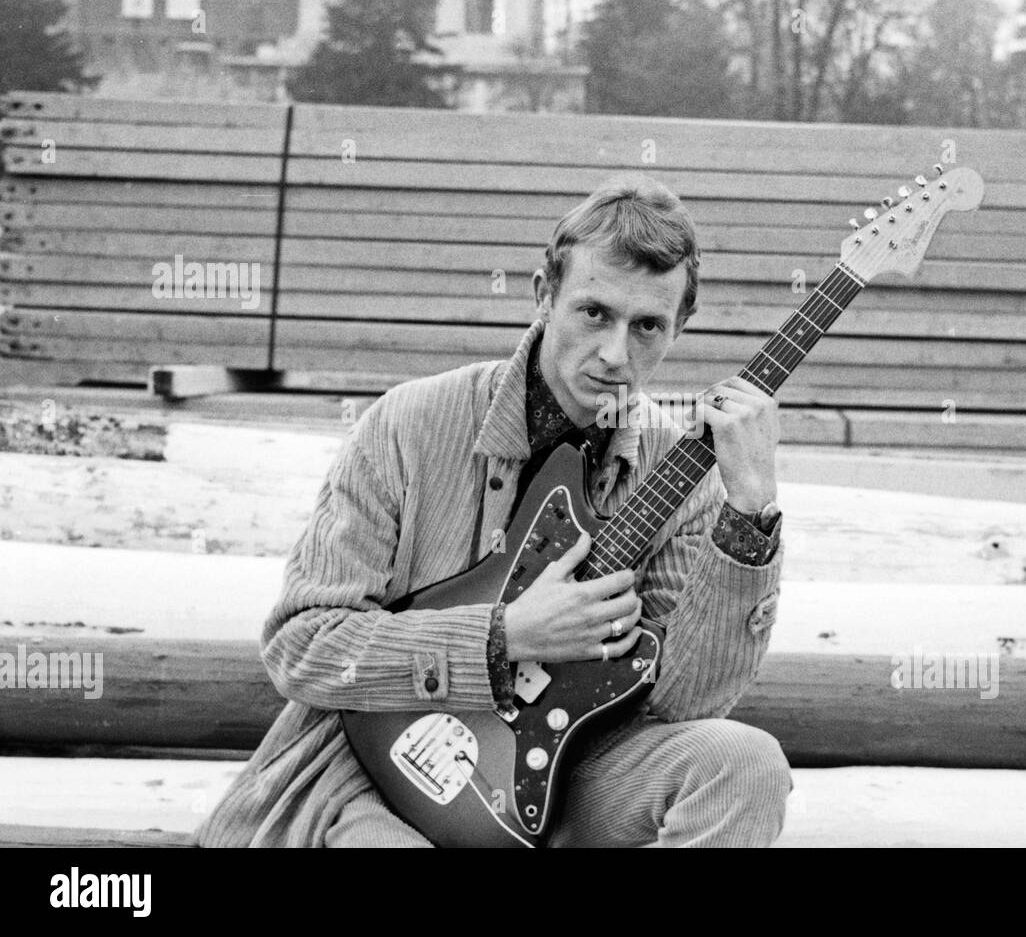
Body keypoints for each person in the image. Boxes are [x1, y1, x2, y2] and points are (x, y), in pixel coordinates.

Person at [194, 173, 792, 848]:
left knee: (745, 764)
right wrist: (502, 637)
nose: (615, 354)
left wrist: (749, 510)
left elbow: (685, 705)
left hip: (566, 776)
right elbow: (302, 647)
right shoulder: (410, 424)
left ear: (680, 327)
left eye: (647, 326)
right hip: (377, 771)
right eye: (594, 312)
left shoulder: (681, 472)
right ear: (543, 294)